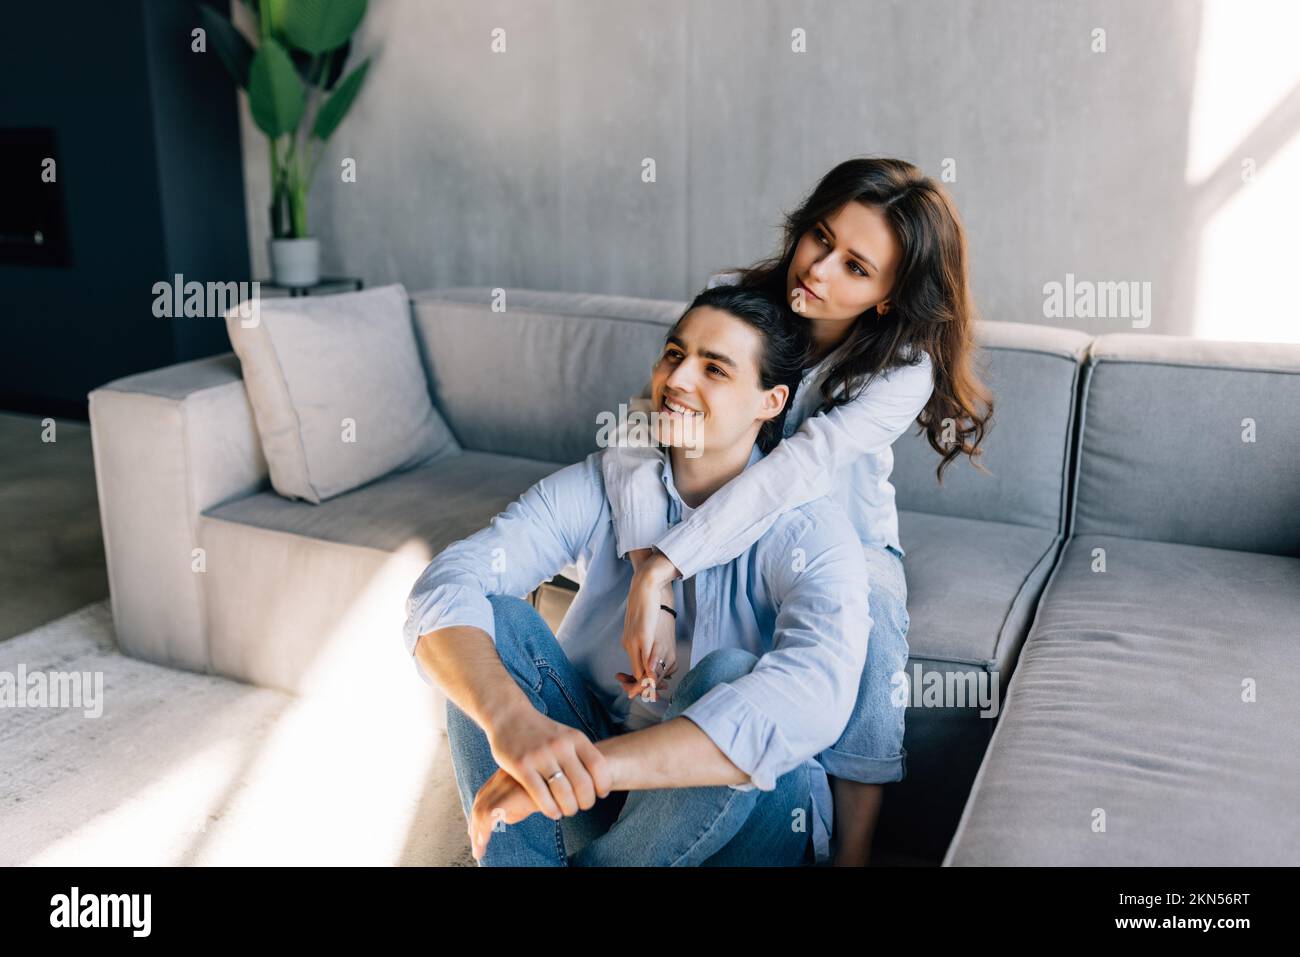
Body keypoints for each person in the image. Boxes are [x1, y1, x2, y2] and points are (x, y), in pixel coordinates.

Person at [602, 156, 994, 865]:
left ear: (885, 295)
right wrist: (647, 564)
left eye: (855, 266)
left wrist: (668, 561)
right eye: (820, 238)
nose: (817, 269)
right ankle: (632, 782)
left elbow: (799, 468)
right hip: (716, 507)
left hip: (841, 533)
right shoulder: (732, 296)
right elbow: (644, 421)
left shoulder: (902, 367)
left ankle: (852, 854)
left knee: (868, 607)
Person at [403, 285, 871, 865]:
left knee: (728, 677)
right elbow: (447, 584)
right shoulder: (606, 484)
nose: (678, 380)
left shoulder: (806, 530)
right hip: (603, 795)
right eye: (674, 355)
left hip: (748, 827)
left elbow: (812, 698)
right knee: (497, 623)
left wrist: (592, 769)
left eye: (715, 369)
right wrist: (511, 721)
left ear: (770, 403)